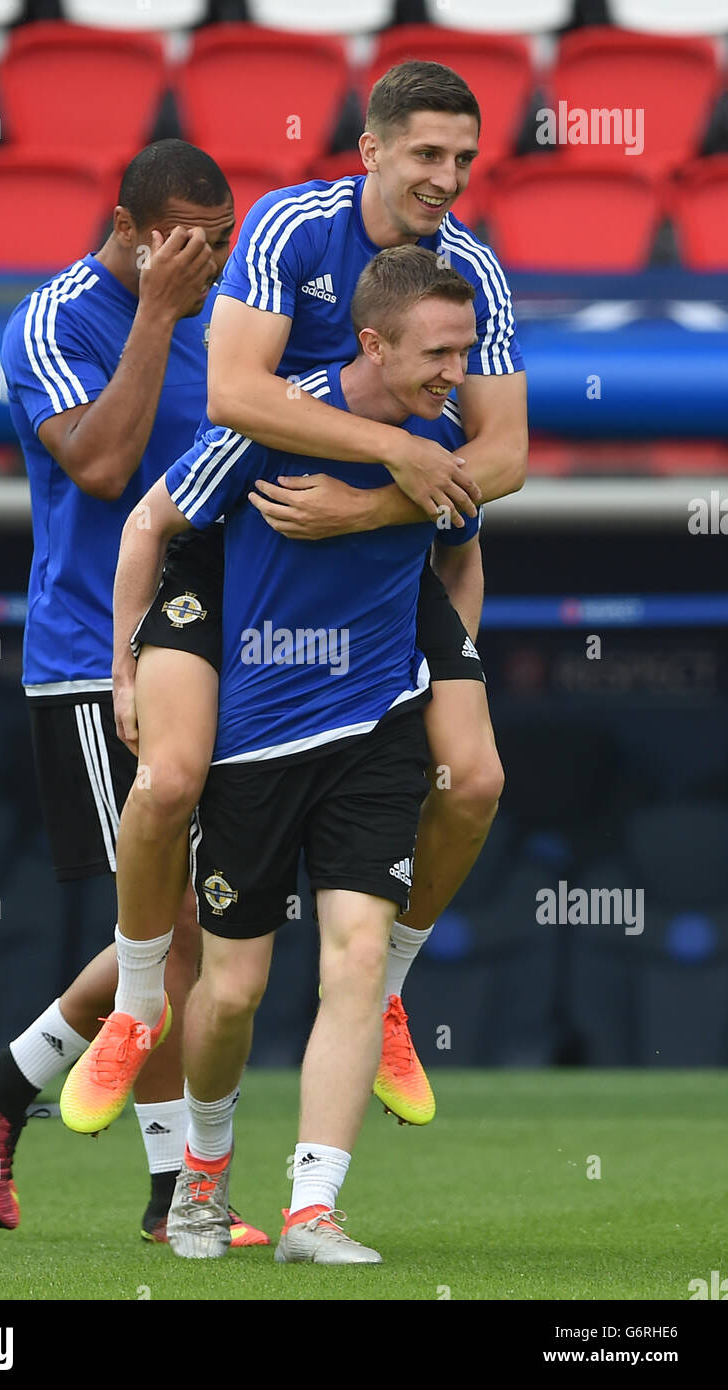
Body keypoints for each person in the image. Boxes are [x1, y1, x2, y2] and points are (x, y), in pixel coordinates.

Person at [62, 59, 526, 1136]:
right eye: (424, 153)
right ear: (368, 148)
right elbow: (235, 394)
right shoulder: (287, 230)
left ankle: (391, 984)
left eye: (462, 158)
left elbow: (500, 457)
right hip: (236, 549)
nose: (445, 177)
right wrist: (393, 453)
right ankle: (134, 1006)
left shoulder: (475, 275)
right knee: (169, 779)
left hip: (377, 556)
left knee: (472, 779)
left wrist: (374, 503)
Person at [106, 247, 480, 1262]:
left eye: (466, 349)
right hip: (259, 734)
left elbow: (459, 542)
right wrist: (129, 666)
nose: (458, 372)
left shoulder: (444, 437)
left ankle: (312, 1209)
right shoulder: (267, 421)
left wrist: (454, 660)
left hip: (376, 725)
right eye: (439, 352)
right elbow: (150, 522)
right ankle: (201, 1180)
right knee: (230, 993)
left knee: (357, 956)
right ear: (372, 343)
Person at [0, 141, 267, 1247]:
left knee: (197, 928)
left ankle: (8, 1073)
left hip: (217, 653)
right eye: (195, 240)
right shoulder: (56, 319)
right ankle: (172, 1193)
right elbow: (103, 466)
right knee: (170, 923)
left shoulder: (224, 318)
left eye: (226, 239)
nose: (215, 259)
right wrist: (158, 316)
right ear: (132, 228)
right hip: (93, 657)